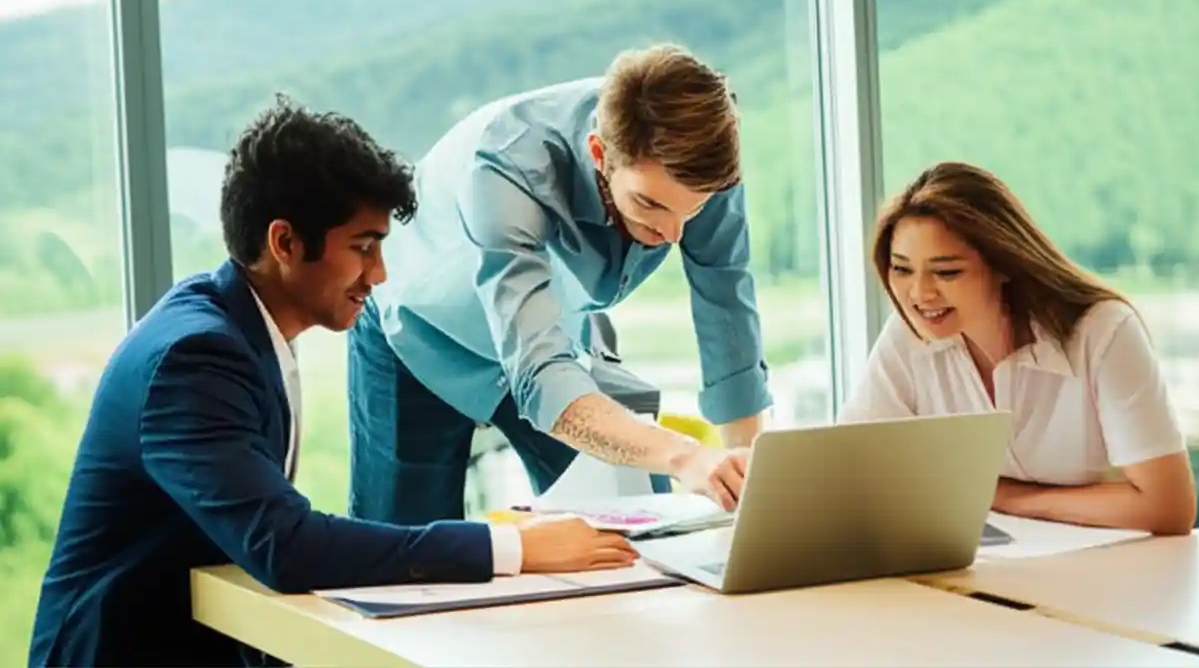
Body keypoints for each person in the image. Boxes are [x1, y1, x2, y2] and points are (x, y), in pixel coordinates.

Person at [28, 98, 634, 668]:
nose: (379, 273)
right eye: (362, 247)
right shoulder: (196, 358)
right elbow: (283, 545)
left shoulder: (236, 329)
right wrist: (513, 549)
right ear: (284, 242)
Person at [349, 44, 771, 525]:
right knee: (405, 555)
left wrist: (750, 477)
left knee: (647, 518)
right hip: (419, 331)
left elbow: (728, 315)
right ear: (599, 154)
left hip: (556, 336)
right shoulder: (509, 166)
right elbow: (542, 378)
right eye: (651, 206)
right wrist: (687, 456)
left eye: (690, 211)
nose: (674, 234)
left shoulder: (702, 165)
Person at [838, 161, 1197, 535]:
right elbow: (853, 469)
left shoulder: (1103, 330)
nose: (919, 294)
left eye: (947, 272)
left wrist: (1009, 498)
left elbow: (1168, 507)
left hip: (1114, 571)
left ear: (1004, 264)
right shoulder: (909, 334)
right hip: (989, 568)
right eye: (902, 269)